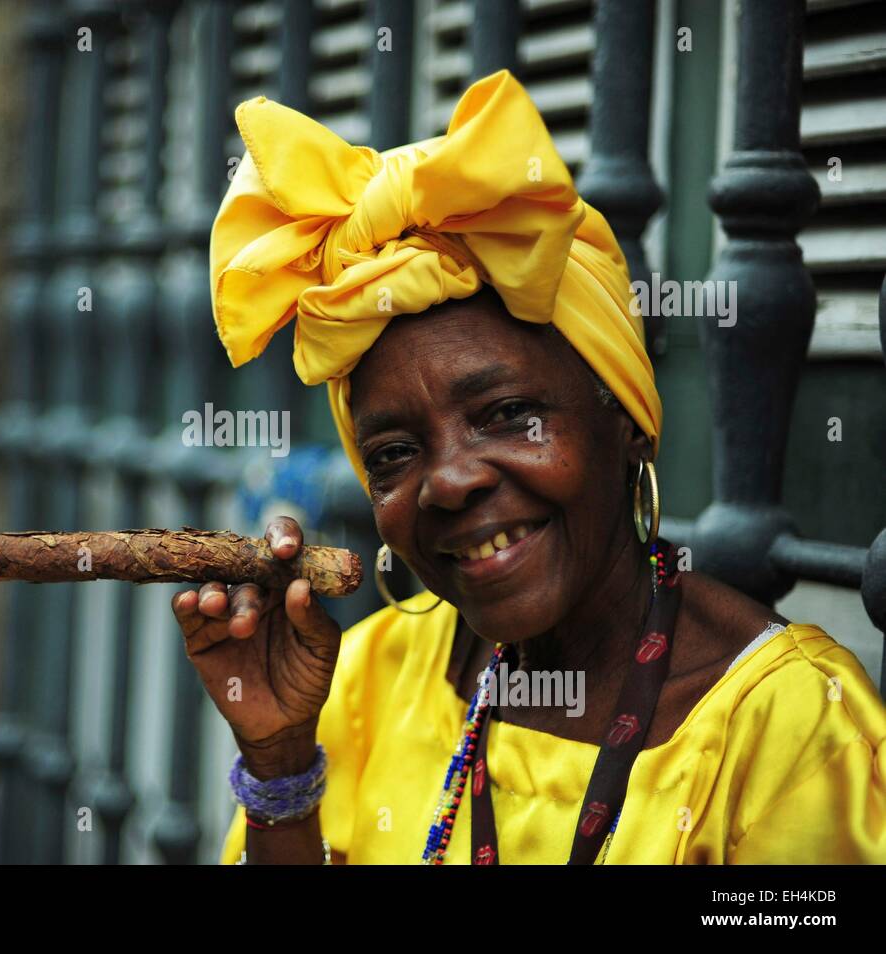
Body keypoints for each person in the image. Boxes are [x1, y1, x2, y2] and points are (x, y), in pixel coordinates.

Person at [171, 70, 886, 864]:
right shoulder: (370, 678)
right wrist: (280, 769)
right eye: (394, 454)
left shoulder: (791, 730)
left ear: (628, 422)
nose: (448, 480)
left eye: (508, 414)